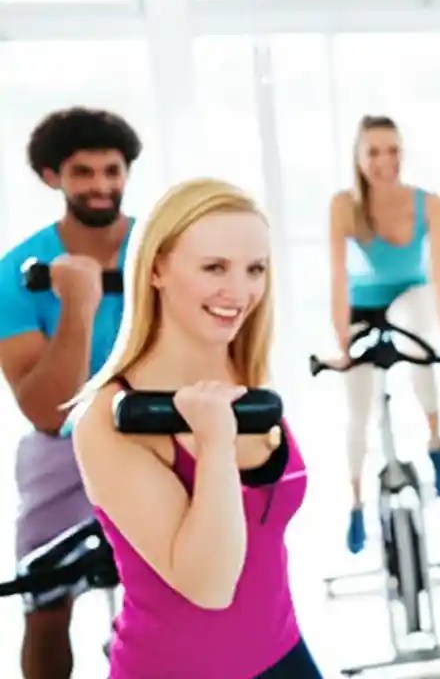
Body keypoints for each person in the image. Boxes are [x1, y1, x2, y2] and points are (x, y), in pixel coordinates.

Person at [70, 177, 321, 677]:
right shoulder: (106, 420)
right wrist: (214, 446)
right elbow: (209, 584)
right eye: (214, 268)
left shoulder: (247, 377)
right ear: (158, 268)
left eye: (255, 270)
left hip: (283, 655)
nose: (241, 291)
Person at [0, 107, 140, 679]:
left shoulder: (161, 253)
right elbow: (44, 410)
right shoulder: (17, 271)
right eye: (84, 172)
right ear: (52, 177)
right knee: (47, 604)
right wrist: (78, 304)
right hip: (62, 447)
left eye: (112, 170)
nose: (102, 185)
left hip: (152, 432)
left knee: (184, 598)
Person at [328, 115, 440, 555]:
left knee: (414, 323)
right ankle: (356, 502)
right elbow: (337, 276)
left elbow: (439, 279)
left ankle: (436, 443)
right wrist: (342, 343)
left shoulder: (430, 204)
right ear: (359, 159)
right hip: (364, 307)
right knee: (357, 409)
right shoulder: (344, 205)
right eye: (374, 152)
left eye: (393, 150)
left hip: (412, 301)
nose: (386, 161)